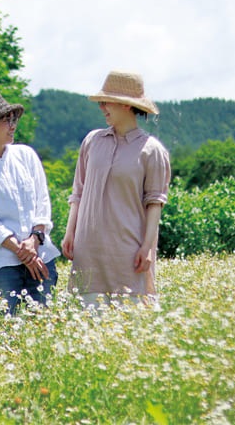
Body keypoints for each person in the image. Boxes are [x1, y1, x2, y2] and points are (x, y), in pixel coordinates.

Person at [60, 71, 171, 308]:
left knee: (130, 330)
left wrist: (147, 248)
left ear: (127, 105)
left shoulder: (152, 151)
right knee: (86, 332)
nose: (101, 107)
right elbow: (78, 191)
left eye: (105, 101)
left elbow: (155, 203)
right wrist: (70, 233)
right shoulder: (92, 141)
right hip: (88, 253)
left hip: (128, 255)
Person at [0, 91, 60, 315]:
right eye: (6, 119)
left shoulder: (27, 155)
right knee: (5, 333)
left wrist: (35, 240)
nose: (13, 125)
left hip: (41, 256)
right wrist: (22, 251)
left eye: (13, 119)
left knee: (44, 328)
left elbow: (42, 202)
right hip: (1, 265)